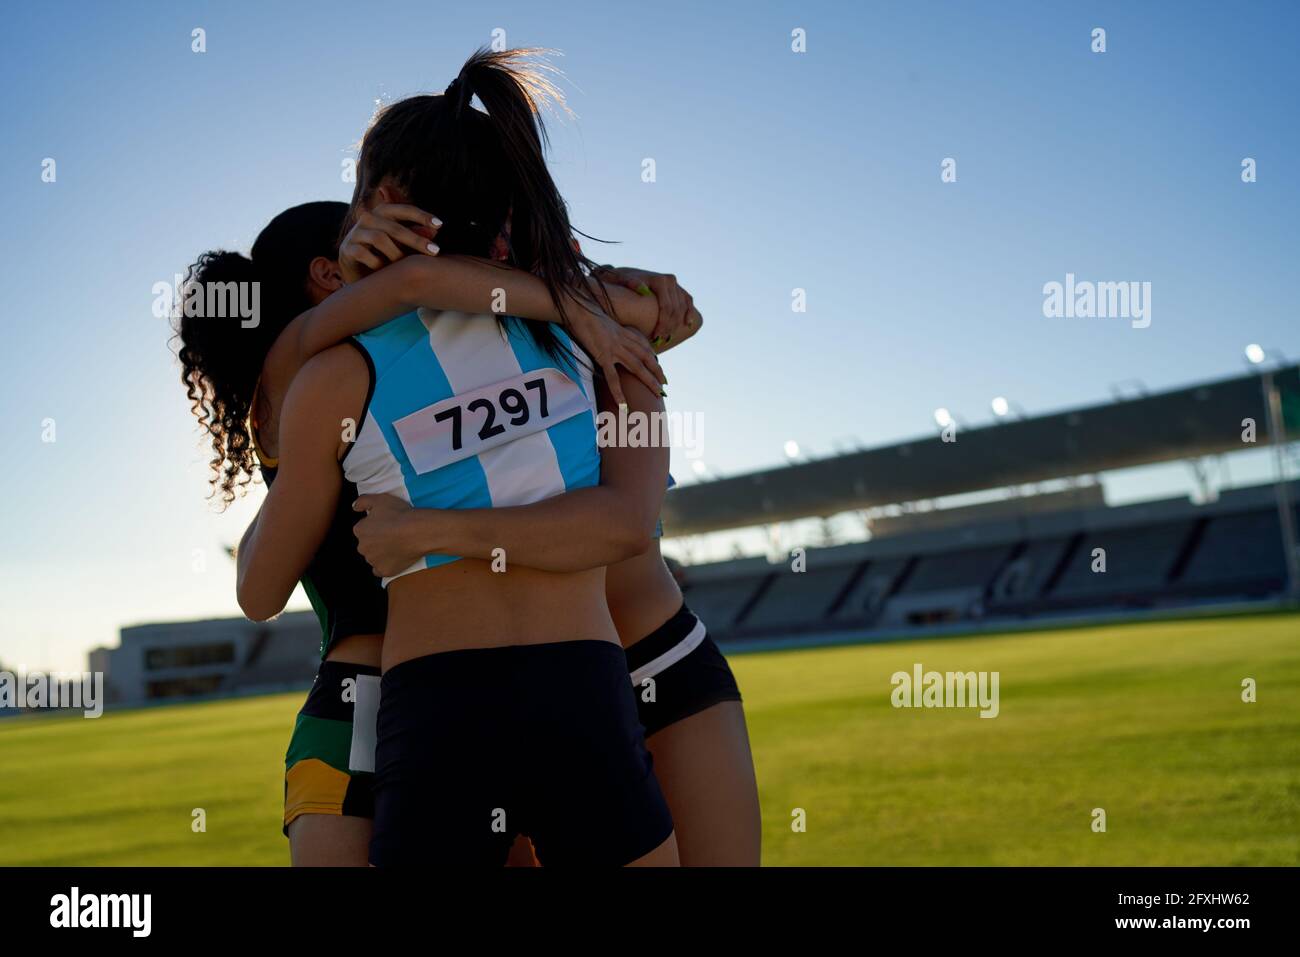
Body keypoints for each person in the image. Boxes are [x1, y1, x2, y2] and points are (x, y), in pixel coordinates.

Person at [234, 47, 685, 866]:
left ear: (381, 203)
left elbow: (260, 587)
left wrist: (394, 522)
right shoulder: (608, 341)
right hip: (583, 692)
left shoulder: (335, 373)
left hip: (437, 707)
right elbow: (626, 521)